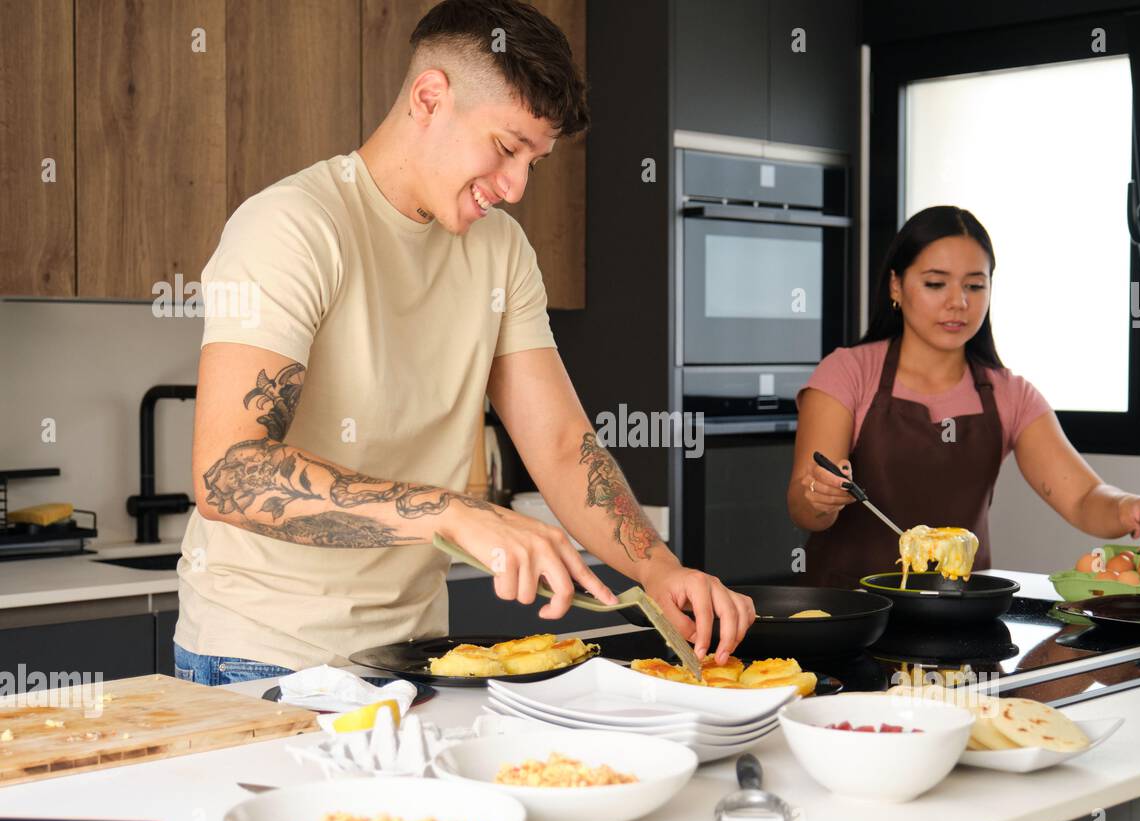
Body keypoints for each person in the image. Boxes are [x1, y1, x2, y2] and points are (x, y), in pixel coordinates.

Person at [174, 0, 754, 685]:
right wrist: (453, 512)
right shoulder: (293, 227)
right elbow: (229, 475)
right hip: (263, 655)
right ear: (429, 98)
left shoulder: (500, 250)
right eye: (506, 148)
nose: (514, 187)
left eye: (533, 163)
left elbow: (564, 447)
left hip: (418, 653)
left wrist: (659, 569)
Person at [788, 205, 1140, 587]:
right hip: (850, 612)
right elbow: (804, 510)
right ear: (896, 285)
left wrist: (1125, 506)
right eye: (936, 284)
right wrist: (820, 497)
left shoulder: (1011, 394)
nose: (958, 302)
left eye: (975, 285)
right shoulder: (848, 372)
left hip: (959, 615)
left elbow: (1084, 497)